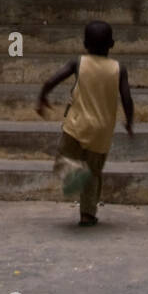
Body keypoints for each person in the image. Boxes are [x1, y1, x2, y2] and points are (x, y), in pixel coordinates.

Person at [36, 19, 134, 226]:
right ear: (112, 44)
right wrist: (130, 122)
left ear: (84, 44)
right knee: (94, 173)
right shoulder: (119, 69)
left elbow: (51, 81)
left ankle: (73, 179)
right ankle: (87, 213)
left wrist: (42, 97)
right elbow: (127, 99)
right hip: (101, 132)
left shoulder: (78, 63)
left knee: (64, 158)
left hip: (76, 126)